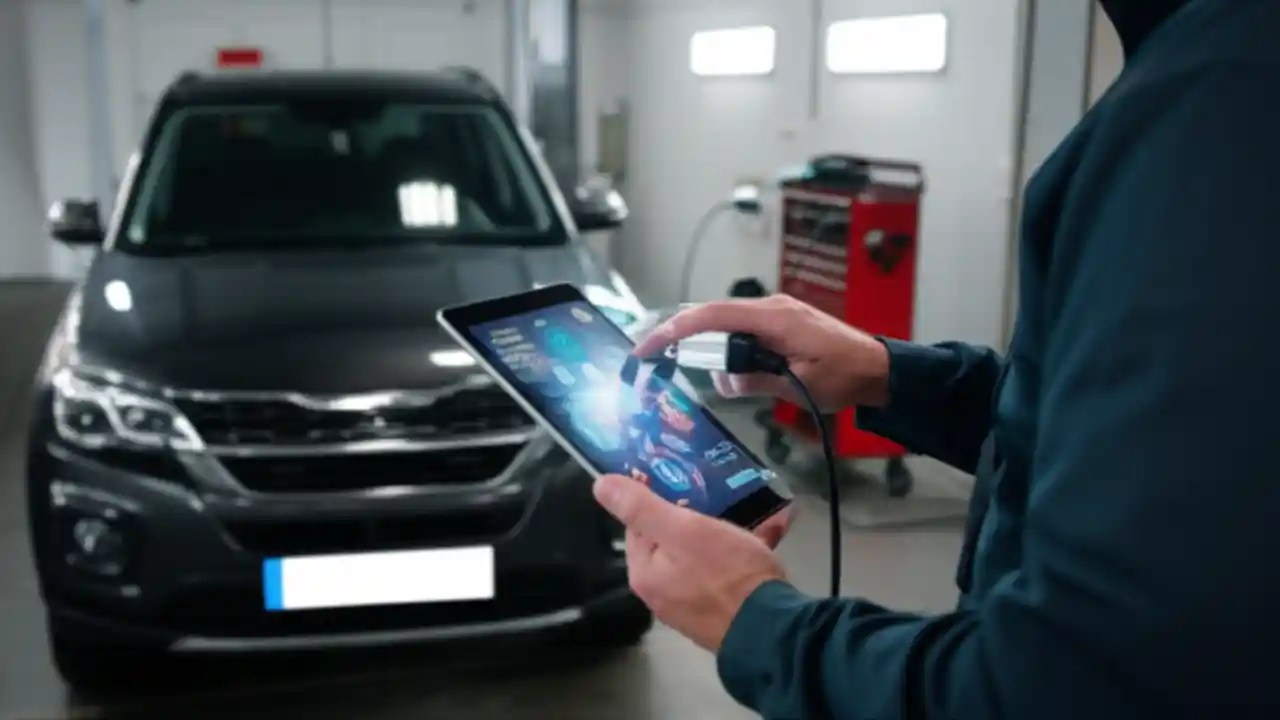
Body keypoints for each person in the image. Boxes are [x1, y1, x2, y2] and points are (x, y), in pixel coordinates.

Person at [591, 1, 1280, 717]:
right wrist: (886, 375)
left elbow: (1070, 684)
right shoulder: (1201, 67)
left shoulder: (1223, 97)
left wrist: (757, 624)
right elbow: (1120, 448)